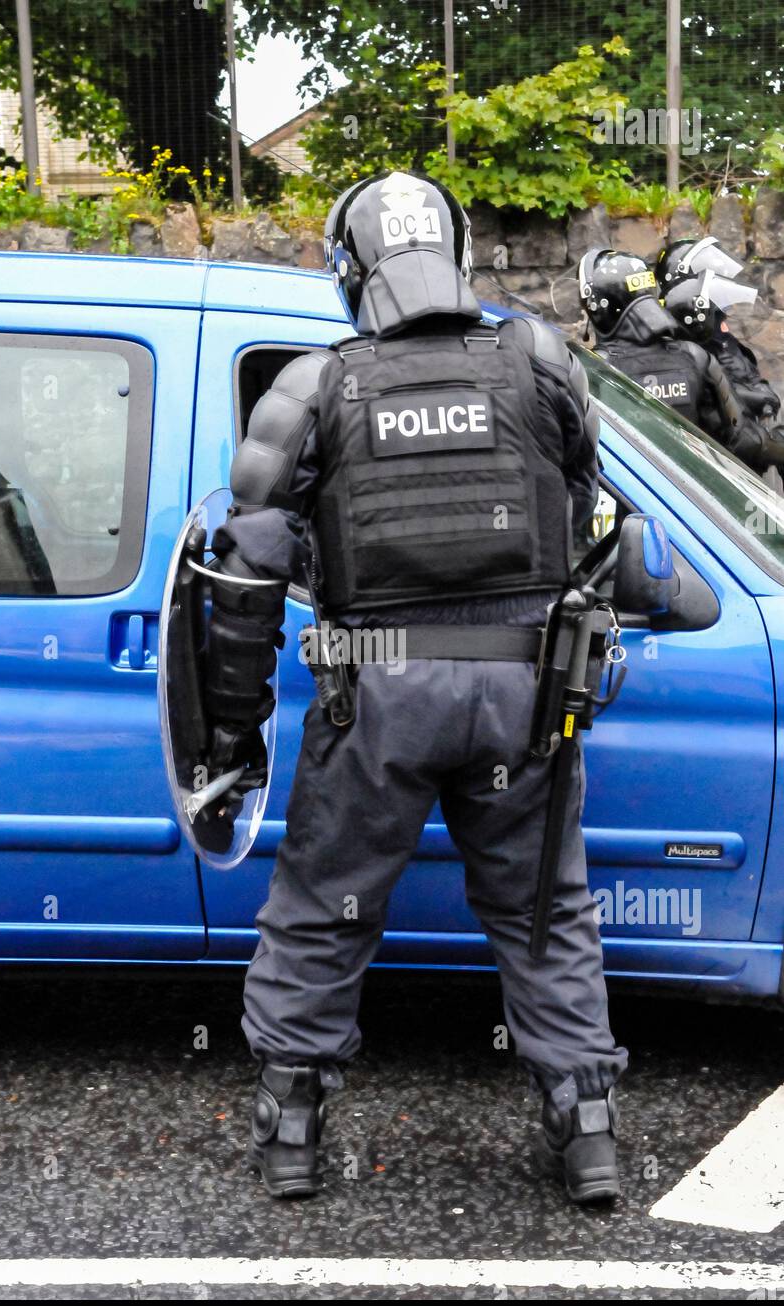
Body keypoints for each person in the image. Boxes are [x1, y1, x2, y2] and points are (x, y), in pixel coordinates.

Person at [199, 172, 626, 1205]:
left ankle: (293, 1129)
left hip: (376, 697)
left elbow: (246, 568)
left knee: (324, 907)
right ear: (460, 251)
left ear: (352, 270)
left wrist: (231, 731)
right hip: (524, 692)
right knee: (541, 910)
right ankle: (587, 1136)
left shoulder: (312, 388)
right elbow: (580, 511)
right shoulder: (537, 359)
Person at [580, 248, 783, 476]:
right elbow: (741, 438)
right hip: (690, 499)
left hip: (624, 501)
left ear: (598, 307)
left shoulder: (589, 369)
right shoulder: (694, 357)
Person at [655, 237, 783, 431]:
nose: (717, 277)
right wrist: (750, 397)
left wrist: (762, 394)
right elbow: (708, 399)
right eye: (707, 273)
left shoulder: (714, 325)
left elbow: (746, 373)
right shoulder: (683, 344)